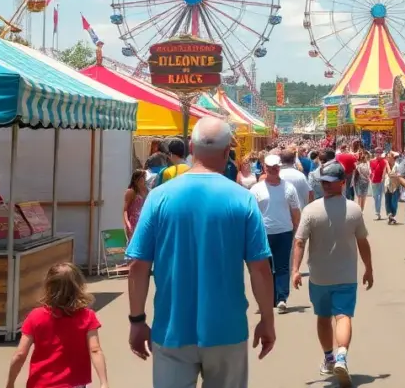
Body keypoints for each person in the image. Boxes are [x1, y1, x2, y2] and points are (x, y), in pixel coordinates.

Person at [126, 117, 275, 388]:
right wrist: (267, 319)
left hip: (171, 330)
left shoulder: (158, 198)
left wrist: (137, 320)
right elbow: (260, 269)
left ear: (192, 147)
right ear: (226, 152)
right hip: (227, 330)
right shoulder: (243, 199)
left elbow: (138, 265)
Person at [293, 161, 373, 386]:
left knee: (323, 317)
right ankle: (341, 356)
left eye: (326, 182)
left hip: (319, 276)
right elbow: (362, 242)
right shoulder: (354, 209)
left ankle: (329, 357)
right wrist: (369, 268)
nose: (325, 185)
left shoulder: (310, 210)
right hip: (346, 276)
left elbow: (299, 242)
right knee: (343, 316)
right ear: (343, 183)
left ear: (338, 183)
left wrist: (295, 270)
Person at [5, 262, 109, 388]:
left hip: (41, 384)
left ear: (48, 286)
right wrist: (104, 382)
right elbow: (95, 350)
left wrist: (10, 383)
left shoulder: (35, 316)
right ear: (78, 286)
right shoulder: (87, 316)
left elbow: (20, 354)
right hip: (73, 384)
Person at [251, 153, 301, 313]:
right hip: (263, 233)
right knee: (265, 268)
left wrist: (296, 229)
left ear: (279, 168)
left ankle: (281, 298)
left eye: (275, 167)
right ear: (264, 168)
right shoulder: (256, 189)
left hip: (284, 231)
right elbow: (252, 213)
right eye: (270, 168)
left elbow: (295, 211)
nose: (273, 170)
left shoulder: (288, 188)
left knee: (282, 266)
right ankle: (269, 298)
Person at [122, 169, 148, 241]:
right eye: (143, 177)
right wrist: (127, 223)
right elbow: (125, 210)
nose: (144, 179)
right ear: (136, 179)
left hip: (142, 221)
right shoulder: (131, 191)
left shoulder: (145, 190)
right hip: (133, 222)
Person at [368, 148, 388, 220]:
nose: (378, 154)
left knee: (379, 196)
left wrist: (383, 178)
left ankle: (377, 212)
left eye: (380, 153)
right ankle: (378, 211)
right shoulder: (371, 161)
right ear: (375, 153)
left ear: (381, 153)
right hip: (373, 180)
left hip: (381, 181)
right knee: (375, 196)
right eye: (377, 153)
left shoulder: (384, 161)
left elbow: (384, 170)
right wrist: (370, 174)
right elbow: (370, 169)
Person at [383, 151, 401, 225]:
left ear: (393, 158)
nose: (387, 158)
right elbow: (384, 175)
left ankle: (392, 215)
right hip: (387, 186)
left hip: (395, 187)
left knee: (394, 203)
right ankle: (390, 215)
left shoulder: (397, 166)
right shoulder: (386, 166)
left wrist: (387, 164)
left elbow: (391, 174)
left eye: (389, 157)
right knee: (387, 202)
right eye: (387, 157)